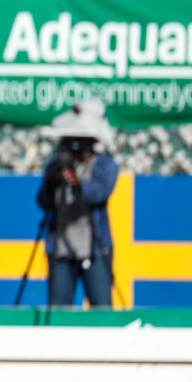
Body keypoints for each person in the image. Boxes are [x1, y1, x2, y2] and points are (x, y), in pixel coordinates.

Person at [35, 100, 120, 309]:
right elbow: (43, 202)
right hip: (61, 247)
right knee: (59, 310)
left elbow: (100, 193)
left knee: (102, 308)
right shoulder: (58, 164)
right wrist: (52, 181)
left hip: (96, 246)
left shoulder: (105, 164)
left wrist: (78, 182)